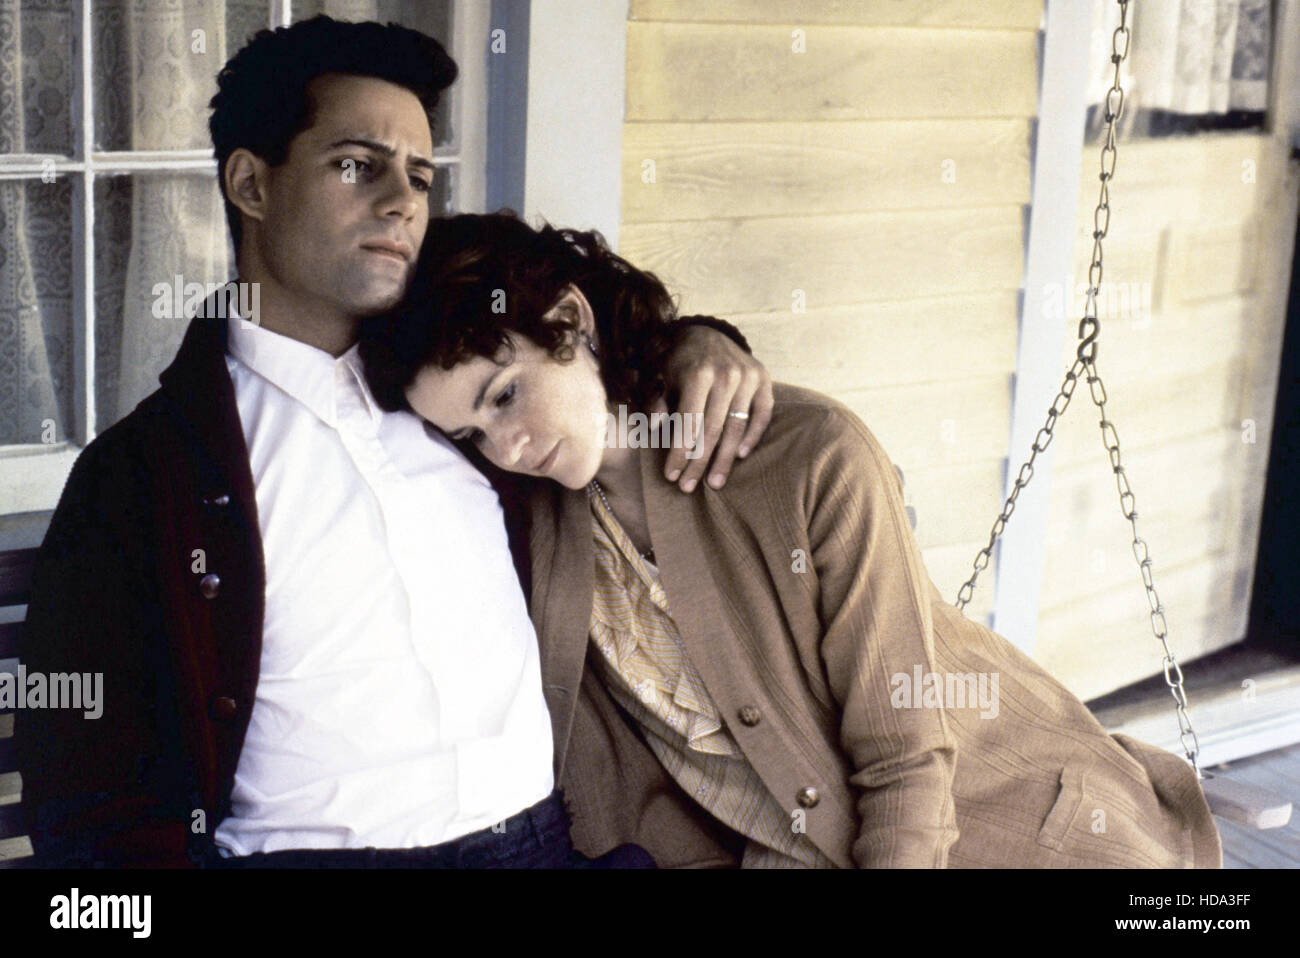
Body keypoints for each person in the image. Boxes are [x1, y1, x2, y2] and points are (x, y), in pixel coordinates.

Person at [16, 16, 773, 869]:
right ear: (251, 185)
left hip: (551, 844)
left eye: (419, 174)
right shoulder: (145, 474)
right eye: (357, 165)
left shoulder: (461, 395)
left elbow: (584, 330)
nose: (403, 200)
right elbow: (88, 798)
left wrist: (700, 341)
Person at [360, 211, 1224, 868]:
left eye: (506, 395)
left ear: (570, 319)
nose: (505, 447)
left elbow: (905, 760)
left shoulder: (810, 457)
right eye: (471, 432)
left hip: (1025, 828)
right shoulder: (535, 519)